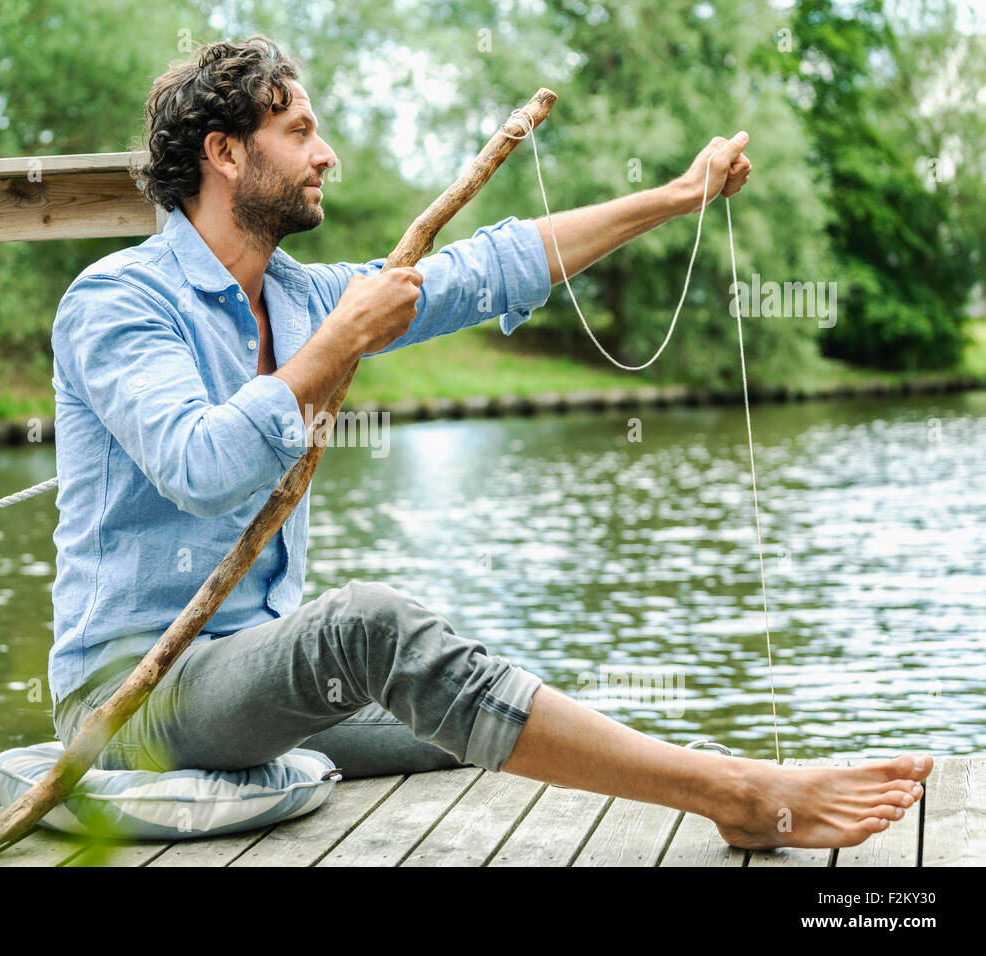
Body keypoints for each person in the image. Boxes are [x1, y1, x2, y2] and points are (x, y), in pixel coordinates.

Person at [48, 35, 930, 851]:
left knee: (478, 695)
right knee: (367, 628)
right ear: (226, 152)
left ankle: (742, 784)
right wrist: (340, 342)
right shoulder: (120, 303)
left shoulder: (304, 298)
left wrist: (676, 197)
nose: (326, 155)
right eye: (299, 130)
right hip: (132, 705)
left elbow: (489, 267)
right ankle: (738, 792)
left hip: (252, 686)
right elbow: (200, 468)